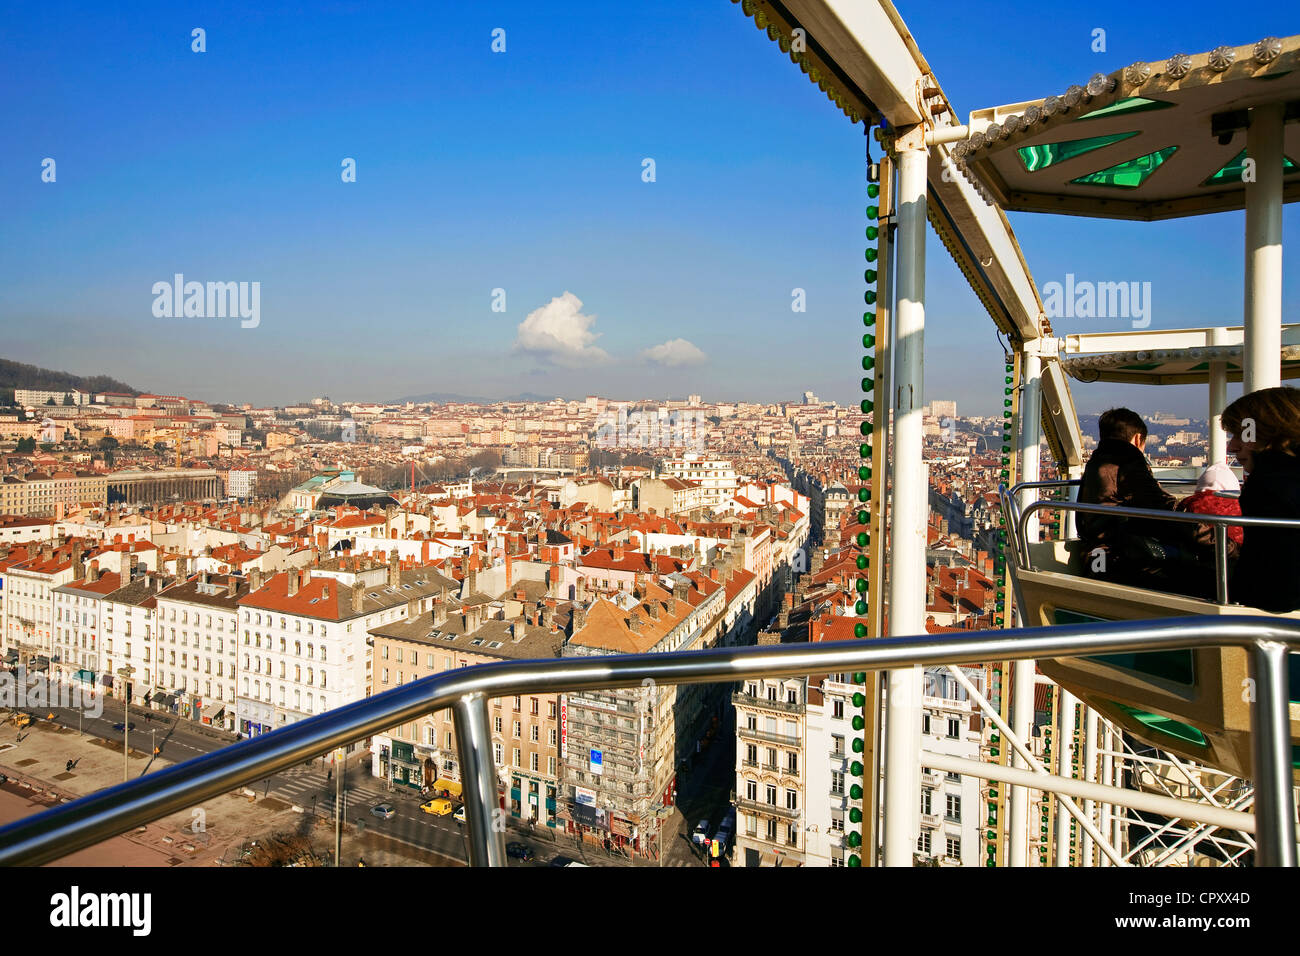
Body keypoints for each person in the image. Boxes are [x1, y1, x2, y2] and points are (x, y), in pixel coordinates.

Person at [1077, 407, 1189, 587]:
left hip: (1096, 555)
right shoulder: (1127, 463)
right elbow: (1161, 505)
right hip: (1122, 559)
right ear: (1137, 439)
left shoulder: (1095, 461)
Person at [1221, 387, 1300, 613]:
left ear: (1268, 432)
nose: (1231, 446)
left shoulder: (1270, 484)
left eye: (1241, 434)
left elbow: (1272, 574)